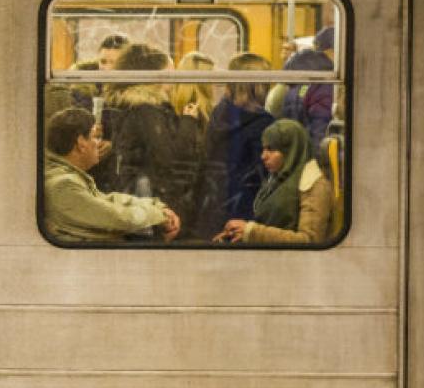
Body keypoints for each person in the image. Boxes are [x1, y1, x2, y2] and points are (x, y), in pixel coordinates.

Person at [44, 107, 180, 243]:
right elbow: (117, 217)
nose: (99, 143)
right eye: (94, 137)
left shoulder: (67, 177)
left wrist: (157, 205)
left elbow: (108, 200)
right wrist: (159, 215)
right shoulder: (63, 185)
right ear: (81, 143)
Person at [105, 43, 200, 227]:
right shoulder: (146, 110)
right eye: (169, 71)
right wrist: (188, 122)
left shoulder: (132, 104)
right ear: (154, 75)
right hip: (153, 200)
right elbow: (168, 158)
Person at [195, 52, 275, 239]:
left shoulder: (220, 111)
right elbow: (263, 174)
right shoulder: (264, 124)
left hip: (213, 202)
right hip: (245, 207)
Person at [215, 119, 332, 244]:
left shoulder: (314, 185)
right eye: (264, 148)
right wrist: (238, 233)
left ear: (290, 152)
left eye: (271, 149)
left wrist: (251, 232)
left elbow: (310, 240)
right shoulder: (277, 180)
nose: (263, 156)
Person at [281, 48, 334, 152]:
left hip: (298, 152)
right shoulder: (325, 89)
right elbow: (320, 131)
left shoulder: (291, 93)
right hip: (319, 152)